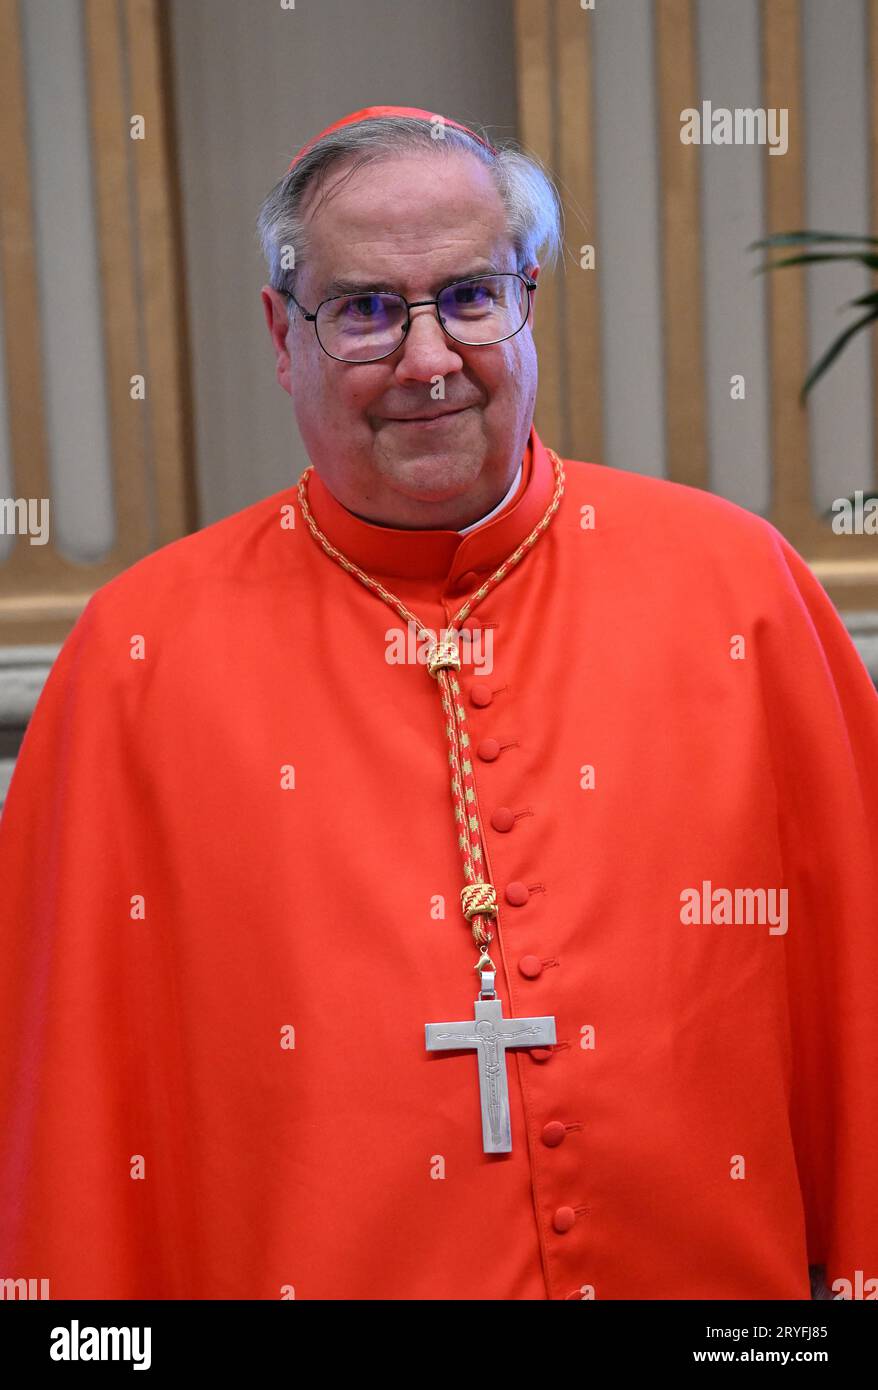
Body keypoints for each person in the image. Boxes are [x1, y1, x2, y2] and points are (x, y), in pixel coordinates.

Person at [0, 105, 876, 1302]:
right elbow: (70, 1110)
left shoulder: (740, 588)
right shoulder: (138, 657)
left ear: (526, 298)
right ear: (280, 332)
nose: (427, 360)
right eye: (364, 310)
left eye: (470, 295)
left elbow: (854, 994)